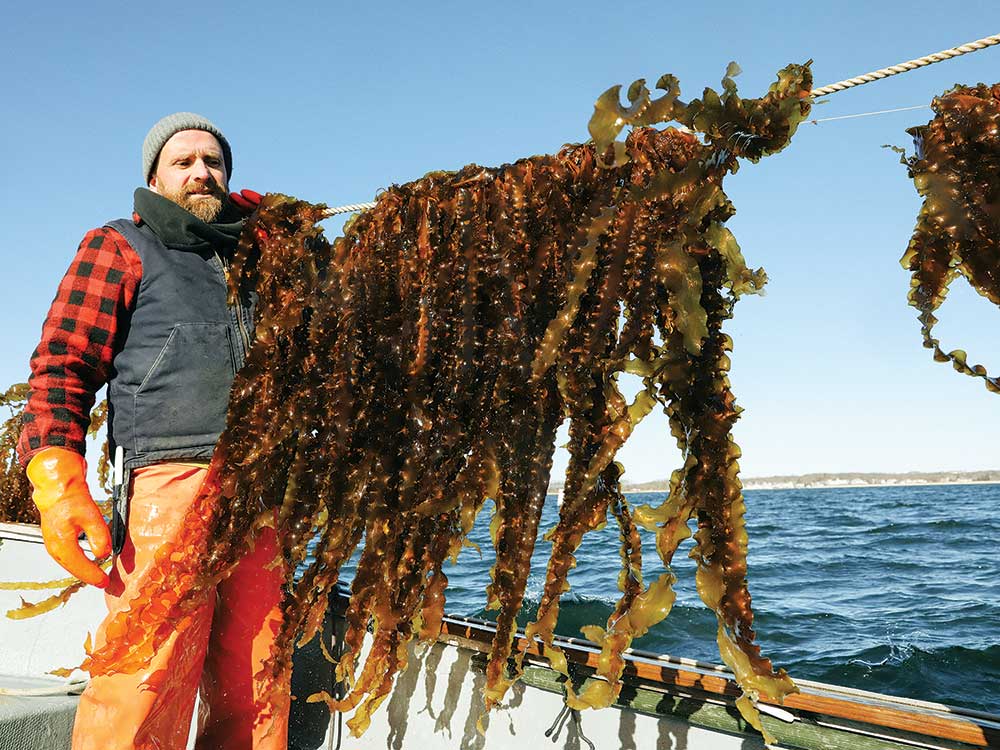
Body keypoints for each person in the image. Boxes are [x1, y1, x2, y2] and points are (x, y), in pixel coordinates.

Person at [17, 113, 288, 750]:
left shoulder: (257, 261)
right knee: (146, 668)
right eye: (183, 160)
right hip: (168, 480)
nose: (201, 171)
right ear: (154, 176)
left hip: (264, 487)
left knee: (257, 671)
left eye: (214, 162)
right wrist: (57, 478)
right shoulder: (120, 245)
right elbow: (63, 360)